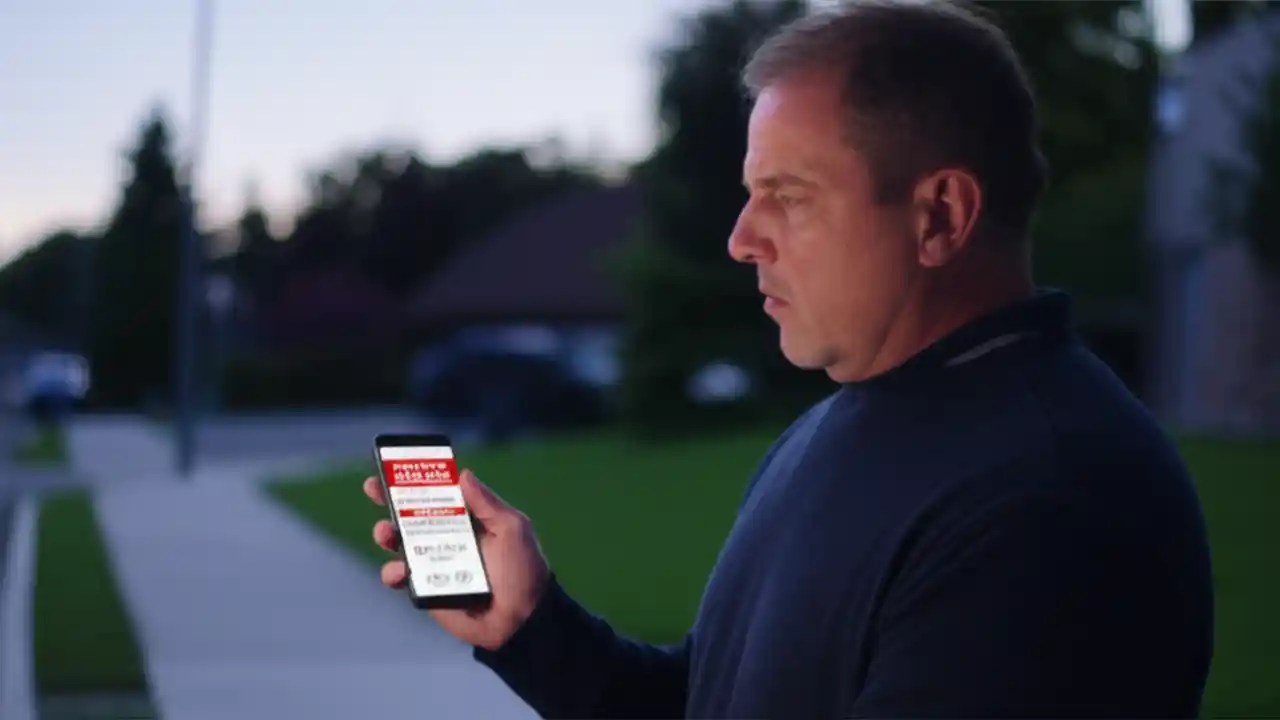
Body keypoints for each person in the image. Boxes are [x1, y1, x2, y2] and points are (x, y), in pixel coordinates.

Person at [362, 1, 1214, 716]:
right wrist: (532, 628)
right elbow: (712, 700)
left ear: (940, 215)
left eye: (788, 196)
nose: (740, 239)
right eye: (749, 193)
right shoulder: (835, 426)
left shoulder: (1050, 505)